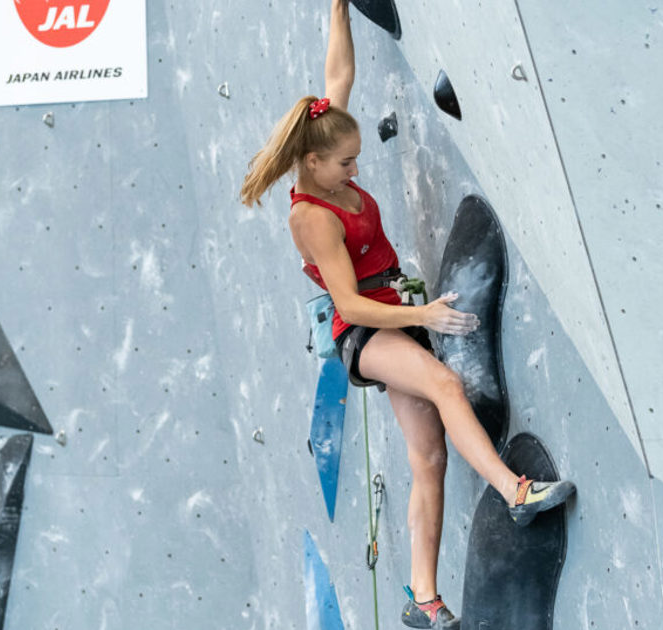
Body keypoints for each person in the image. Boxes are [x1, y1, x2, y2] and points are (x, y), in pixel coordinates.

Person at [239, 2, 574, 628]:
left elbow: (337, 75)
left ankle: (422, 599)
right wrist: (427, 321)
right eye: (346, 164)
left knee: (428, 460)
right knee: (445, 384)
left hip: (392, 310)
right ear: (312, 164)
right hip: (365, 331)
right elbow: (349, 305)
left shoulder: (325, 145)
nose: (356, 170)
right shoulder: (311, 216)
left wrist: (337, 8)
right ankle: (515, 492)